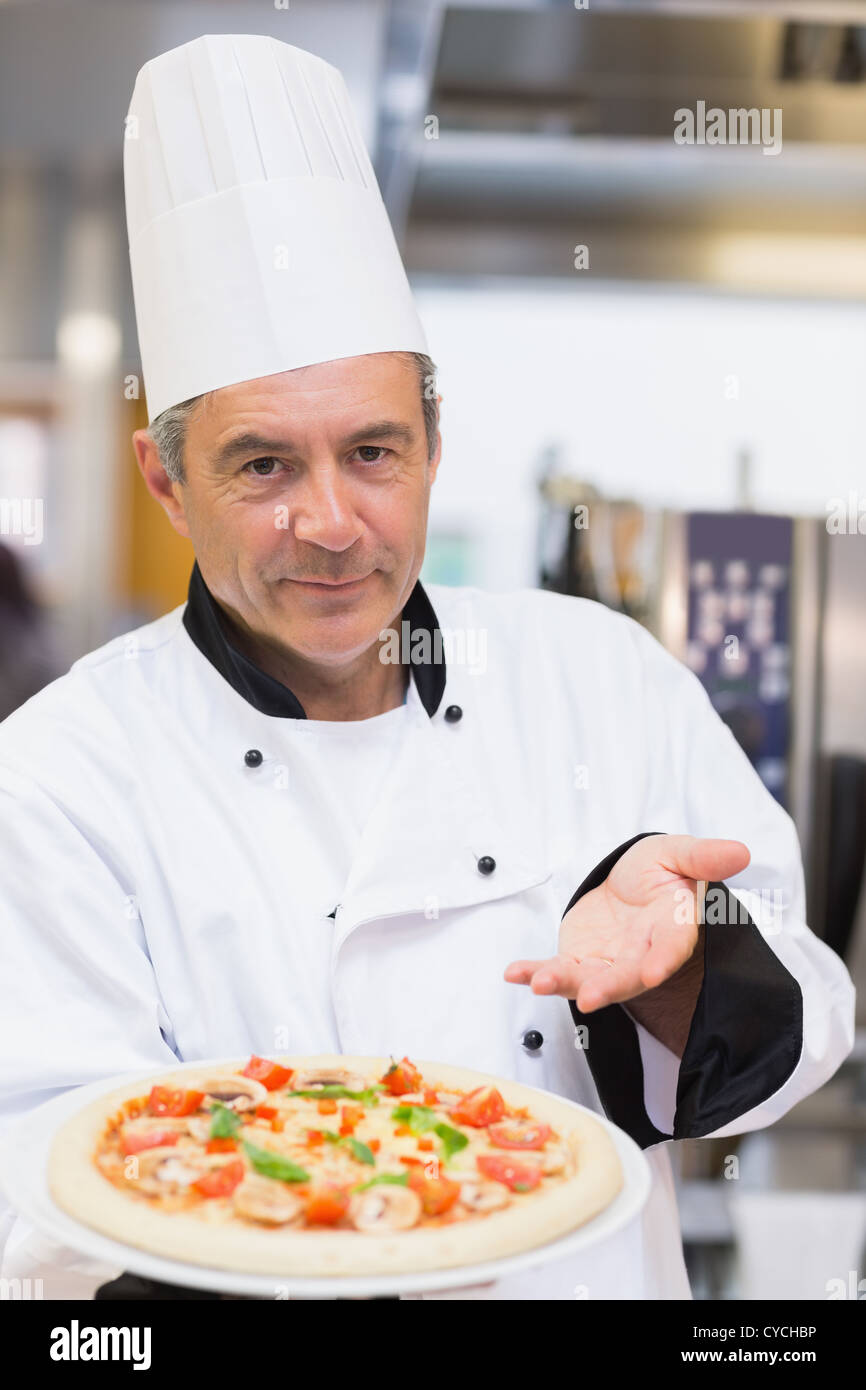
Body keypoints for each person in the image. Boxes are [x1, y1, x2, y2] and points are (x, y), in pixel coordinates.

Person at [0, 35, 854, 1301]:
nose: (334, 522)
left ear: (435, 445)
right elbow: (45, 1175)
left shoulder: (603, 679)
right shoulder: (62, 769)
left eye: (373, 451)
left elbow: (804, 1026)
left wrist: (685, 968)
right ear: (165, 481)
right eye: (263, 466)